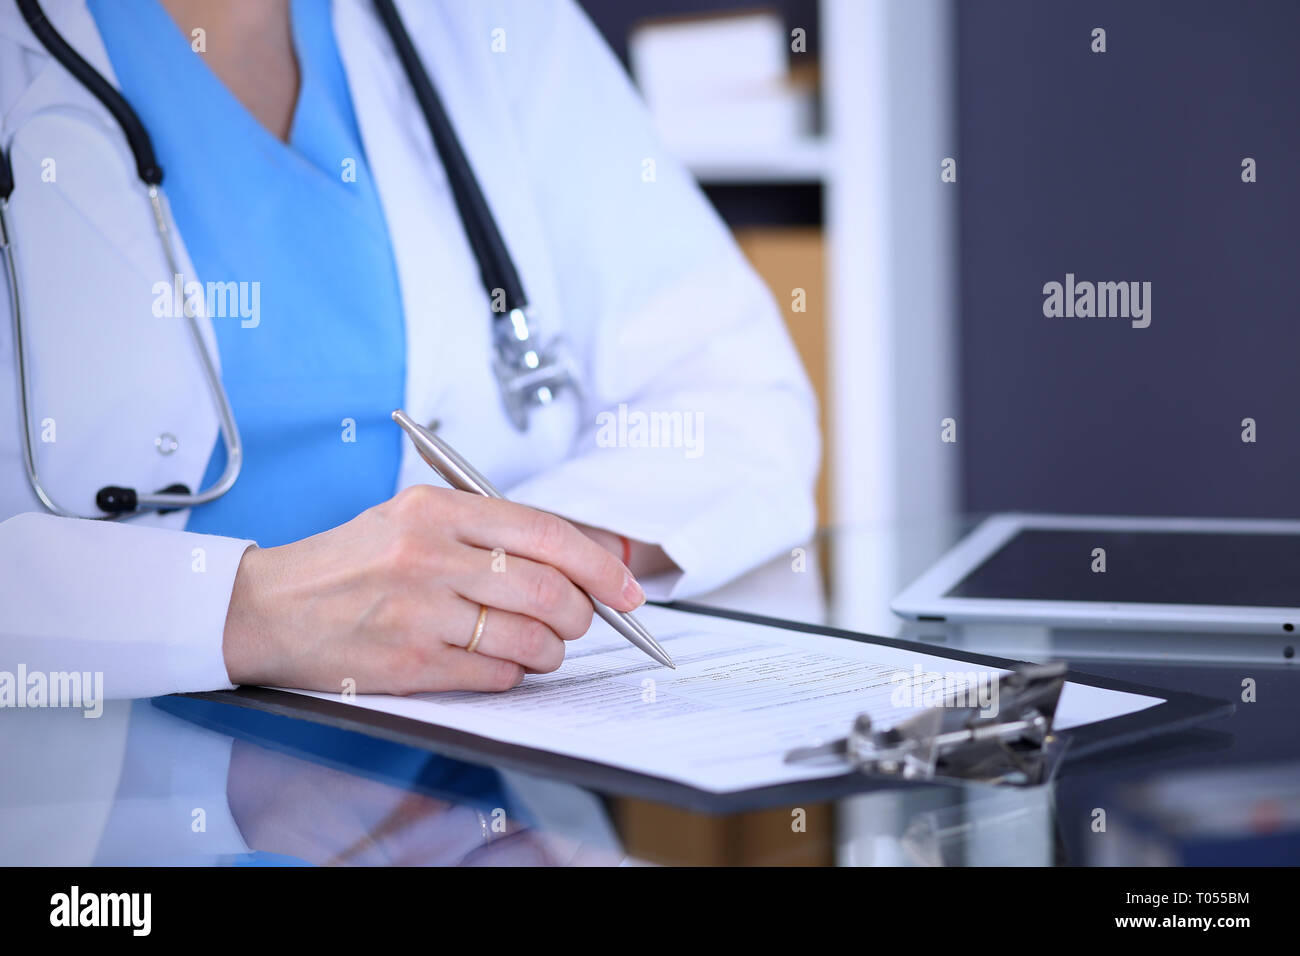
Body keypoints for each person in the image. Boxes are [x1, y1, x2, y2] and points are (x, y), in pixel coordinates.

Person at [0, 0, 817, 699]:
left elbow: (739, 394)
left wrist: (525, 565)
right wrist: (249, 611)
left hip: (473, 793)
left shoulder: (486, 22)